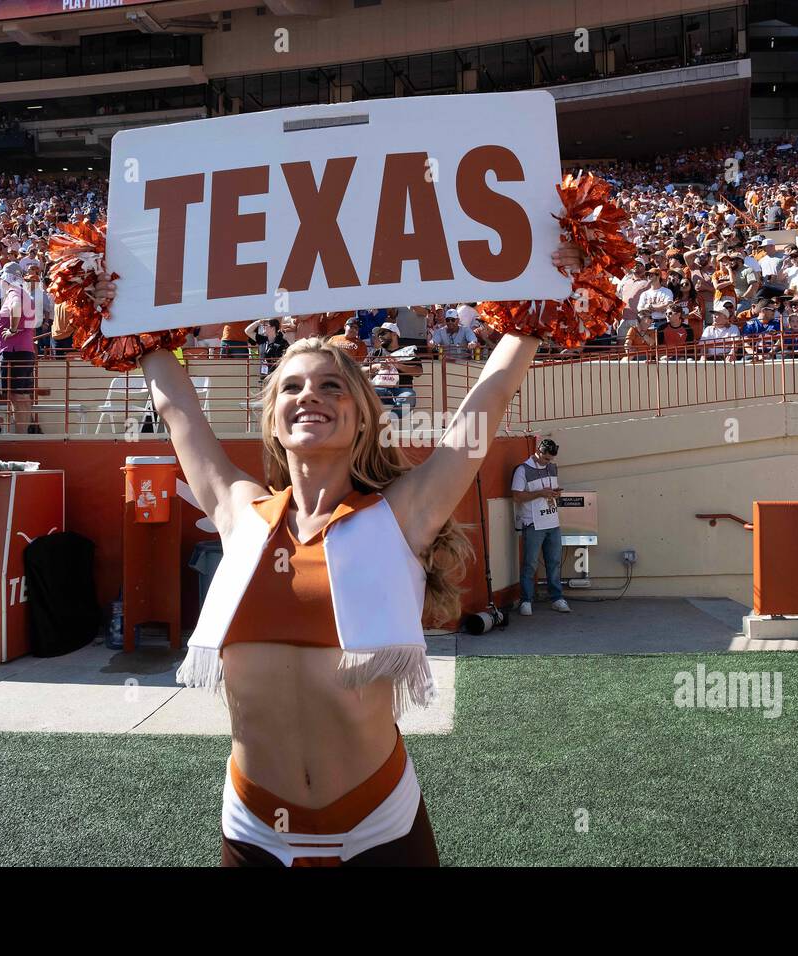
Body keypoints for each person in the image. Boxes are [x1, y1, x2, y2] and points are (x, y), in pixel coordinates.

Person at [114, 240, 584, 867]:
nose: (310, 396)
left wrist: (537, 306)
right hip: (253, 826)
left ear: (362, 418)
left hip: (379, 826)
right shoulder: (237, 511)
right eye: (292, 388)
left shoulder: (402, 513)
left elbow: (485, 409)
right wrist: (123, 308)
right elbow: (176, 409)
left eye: (332, 386)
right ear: (273, 419)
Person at [510, 438, 570, 617]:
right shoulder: (522, 470)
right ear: (538, 451)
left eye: (550, 459)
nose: (548, 462)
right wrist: (540, 494)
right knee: (530, 564)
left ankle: (557, 598)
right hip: (533, 523)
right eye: (545, 458)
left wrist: (554, 493)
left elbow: (549, 490)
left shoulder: (552, 467)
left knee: (554, 563)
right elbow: (517, 496)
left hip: (553, 521)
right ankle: (526, 600)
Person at [0, 262, 39, 433]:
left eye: (1, 277)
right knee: (22, 396)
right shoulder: (25, 294)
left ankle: (20, 434)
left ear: (7, 277)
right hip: (23, 350)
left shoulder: (14, 293)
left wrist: (12, 330)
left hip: (14, 352)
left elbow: (15, 308)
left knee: (16, 396)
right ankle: (23, 433)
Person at [362, 322, 420, 421]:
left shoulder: (408, 352)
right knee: (362, 392)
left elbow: (418, 371)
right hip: (378, 390)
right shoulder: (375, 352)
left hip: (401, 391)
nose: (380, 336)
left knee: (409, 396)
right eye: (378, 334)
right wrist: (376, 366)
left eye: (383, 333)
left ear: (394, 334)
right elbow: (360, 371)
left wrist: (398, 365)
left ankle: (388, 421)